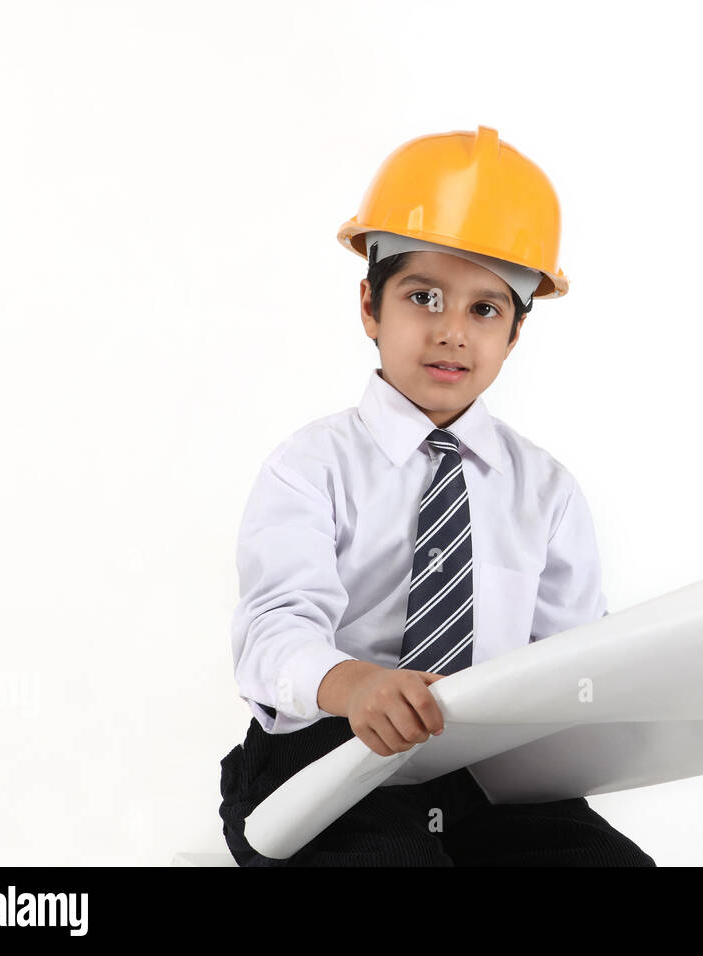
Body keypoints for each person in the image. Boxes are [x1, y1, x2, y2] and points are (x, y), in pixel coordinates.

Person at [217, 125, 655, 866]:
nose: (453, 332)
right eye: (424, 297)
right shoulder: (311, 466)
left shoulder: (544, 491)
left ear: (515, 334)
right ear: (370, 307)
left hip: (488, 774)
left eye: (485, 310)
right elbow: (271, 633)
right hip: (327, 760)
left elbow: (572, 655)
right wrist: (354, 686)